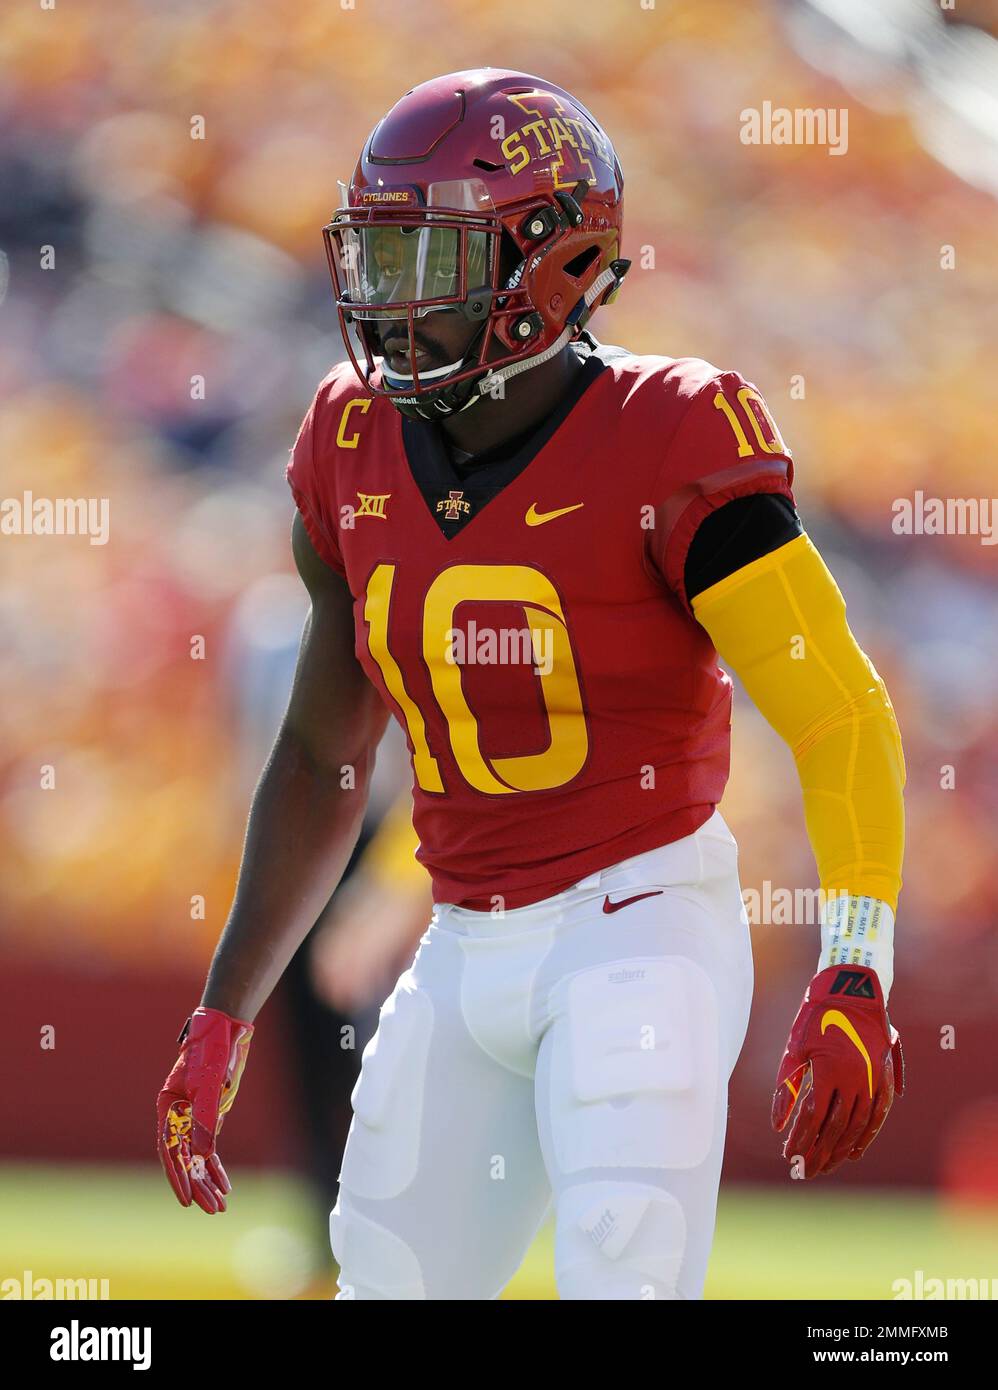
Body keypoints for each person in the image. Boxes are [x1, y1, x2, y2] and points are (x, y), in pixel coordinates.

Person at [156, 68, 905, 1301]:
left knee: (622, 1273)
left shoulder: (673, 431)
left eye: (424, 261)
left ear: (547, 264)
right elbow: (317, 755)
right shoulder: (347, 439)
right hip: (459, 938)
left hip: (639, 918)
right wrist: (224, 1008)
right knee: (385, 1284)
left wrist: (853, 963)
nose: (386, 304)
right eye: (377, 258)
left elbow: (837, 711)